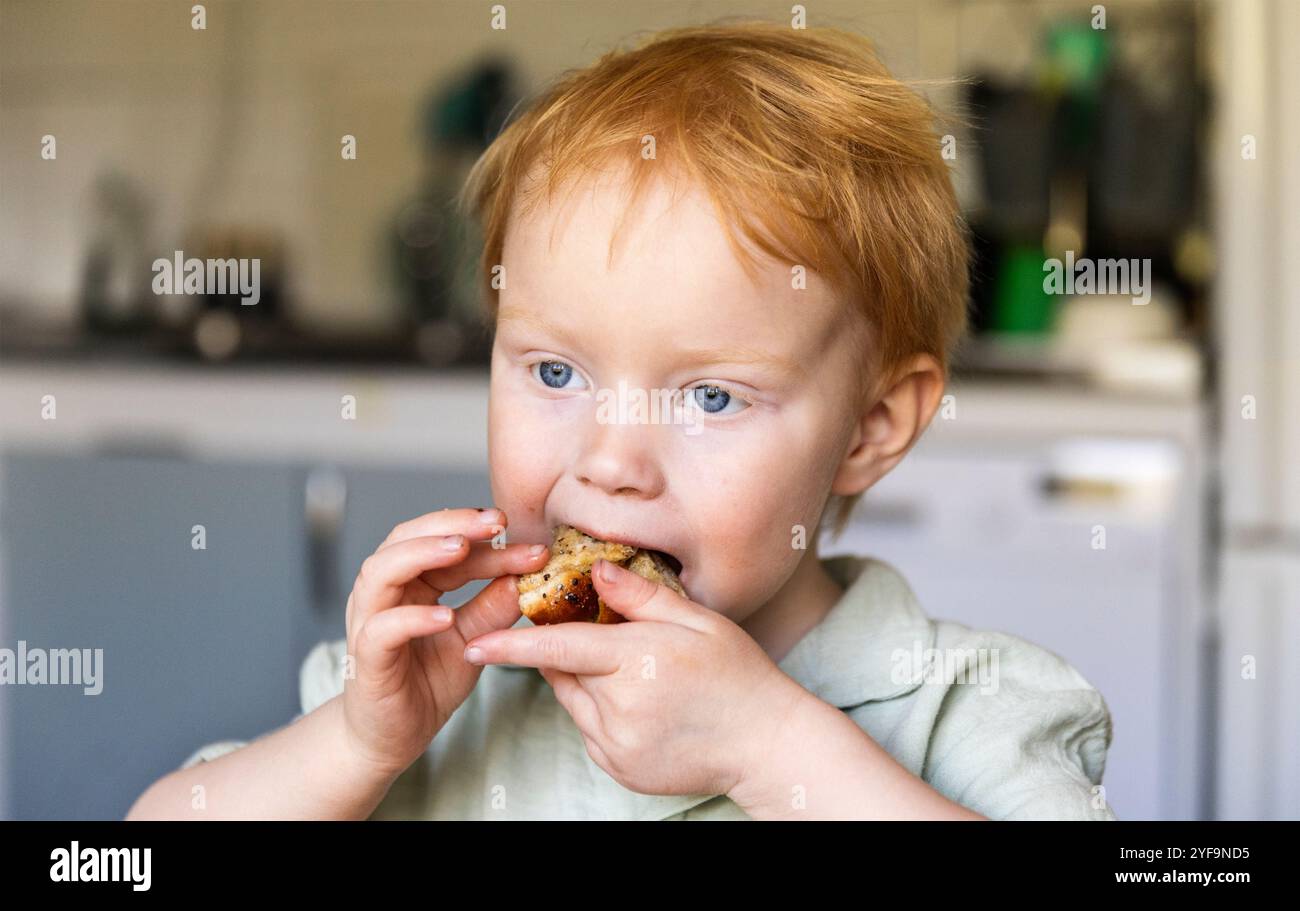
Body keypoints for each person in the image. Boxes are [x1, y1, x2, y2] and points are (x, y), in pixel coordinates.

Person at [127, 20, 1115, 821]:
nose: (608, 461)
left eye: (711, 396)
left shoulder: (969, 705)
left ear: (870, 427)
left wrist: (770, 747)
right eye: (555, 370)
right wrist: (356, 742)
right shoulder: (441, 693)